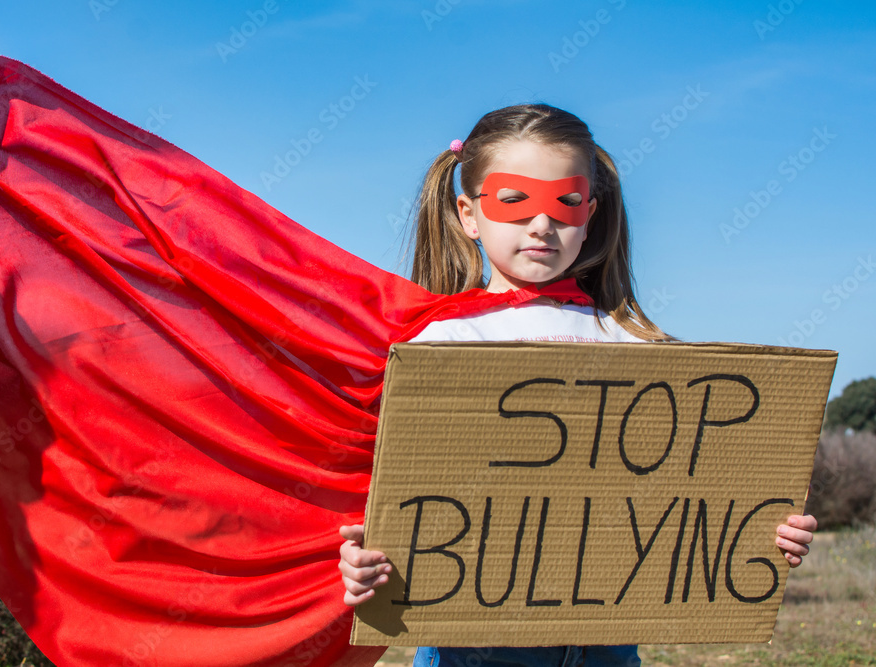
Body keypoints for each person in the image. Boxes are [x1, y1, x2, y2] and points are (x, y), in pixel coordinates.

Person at [337, 103, 818, 667]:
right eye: (514, 201)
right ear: (468, 214)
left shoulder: (636, 346)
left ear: (589, 214)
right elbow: (396, 493)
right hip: (477, 648)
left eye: (564, 203)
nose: (542, 224)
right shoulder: (435, 346)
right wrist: (364, 555)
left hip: (607, 648)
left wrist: (768, 530)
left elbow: (706, 490)